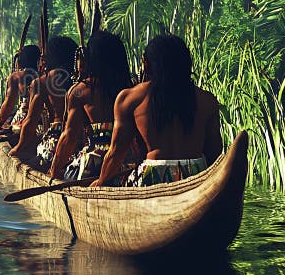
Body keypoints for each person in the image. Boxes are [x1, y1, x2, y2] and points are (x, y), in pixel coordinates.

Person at [90, 34, 222, 187]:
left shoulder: (130, 98)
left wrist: (101, 182)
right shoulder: (207, 100)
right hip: (197, 175)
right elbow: (214, 153)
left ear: (146, 63)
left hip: (152, 176)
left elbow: (116, 152)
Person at [47, 31, 137, 180]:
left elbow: (70, 137)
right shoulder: (133, 89)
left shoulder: (80, 91)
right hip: (129, 165)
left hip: (95, 165)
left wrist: (53, 171)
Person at [9, 36, 78, 166]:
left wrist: (17, 149)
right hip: (80, 143)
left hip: (55, 144)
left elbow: (30, 122)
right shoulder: (81, 80)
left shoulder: (42, 82)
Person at [0, 44, 41, 130]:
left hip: (22, 121)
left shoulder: (16, 77)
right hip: (40, 120)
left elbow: (8, 104)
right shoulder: (44, 77)